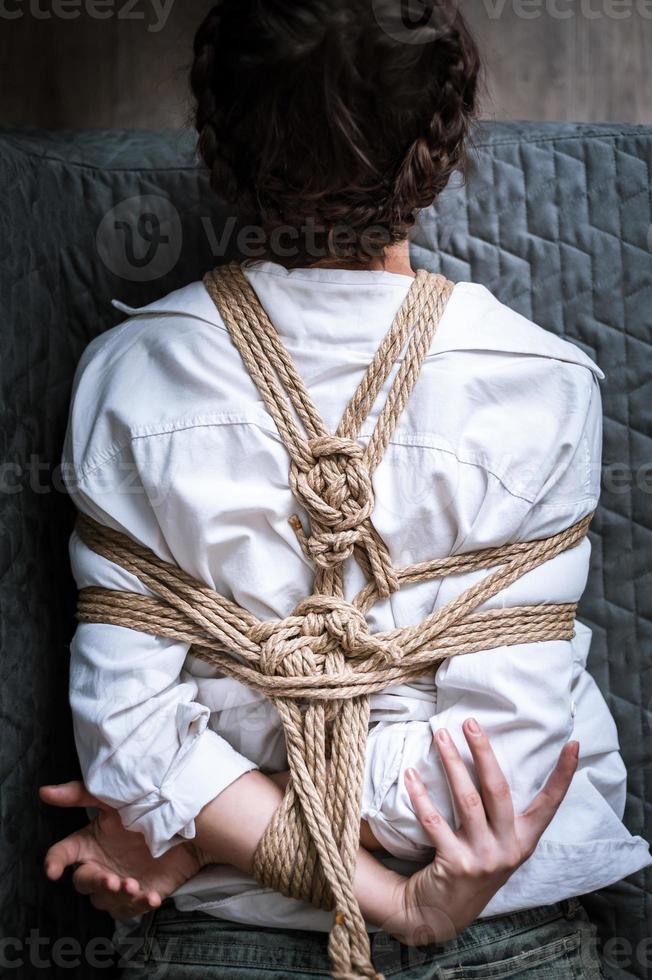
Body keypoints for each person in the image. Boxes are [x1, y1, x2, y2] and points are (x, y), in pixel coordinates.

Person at [40, 1, 649, 977]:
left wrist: (200, 819)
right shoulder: (539, 382)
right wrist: (396, 898)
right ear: (440, 146)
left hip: (225, 931)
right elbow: (482, 797)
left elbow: (137, 751)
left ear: (216, 144)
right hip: (509, 934)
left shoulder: (130, 376)